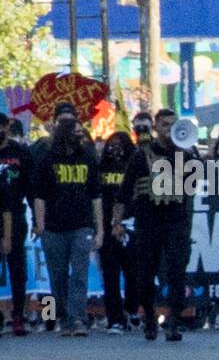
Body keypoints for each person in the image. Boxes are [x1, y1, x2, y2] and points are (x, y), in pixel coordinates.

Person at [118, 109, 198, 342]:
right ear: (155, 126)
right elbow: (124, 192)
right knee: (145, 275)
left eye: (172, 125)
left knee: (176, 273)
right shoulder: (141, 156)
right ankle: (150, 318)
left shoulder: (185, 153)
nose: (168, 129)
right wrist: (117, 222)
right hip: (148, 223)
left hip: (176, 222)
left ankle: (173, 321)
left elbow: (197, 181)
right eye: (164, 124)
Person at [33, 111, 101, 336]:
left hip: (82, 225)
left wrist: (99, 229)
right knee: (58, 275)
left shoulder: (88, 158)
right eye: (73, 131)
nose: (78, 135)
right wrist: (40, 224)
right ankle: (62, 317)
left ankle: (78, 318)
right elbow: (39, 196)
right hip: (53, 227)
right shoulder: (47, 160)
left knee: (79, 273)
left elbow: (96, 196)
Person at [97, 131, 138, 333]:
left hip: (130, 226)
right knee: (110, 276)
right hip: (106, 227)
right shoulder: (100, 168)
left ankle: (131, 308)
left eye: (119, 144)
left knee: (133, 273)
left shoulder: (135, 167)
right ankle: (115, 318)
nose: (115, 149)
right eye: (111, 145)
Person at [0, 112, 35, 336]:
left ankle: (18, 317)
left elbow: (32, 188)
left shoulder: (20, 152)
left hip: (15, 214)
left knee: (17, 268)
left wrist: (38, 219)